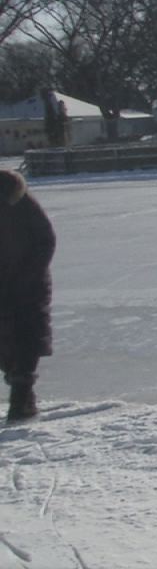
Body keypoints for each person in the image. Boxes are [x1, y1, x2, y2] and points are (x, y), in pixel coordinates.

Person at [0, 169, 55, 423]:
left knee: (26, 338)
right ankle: (24, 396)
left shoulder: (23, 203)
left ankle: (20, 401)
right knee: (6, 342)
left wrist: (27, 276)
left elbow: (45, 240)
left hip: (28, 285)